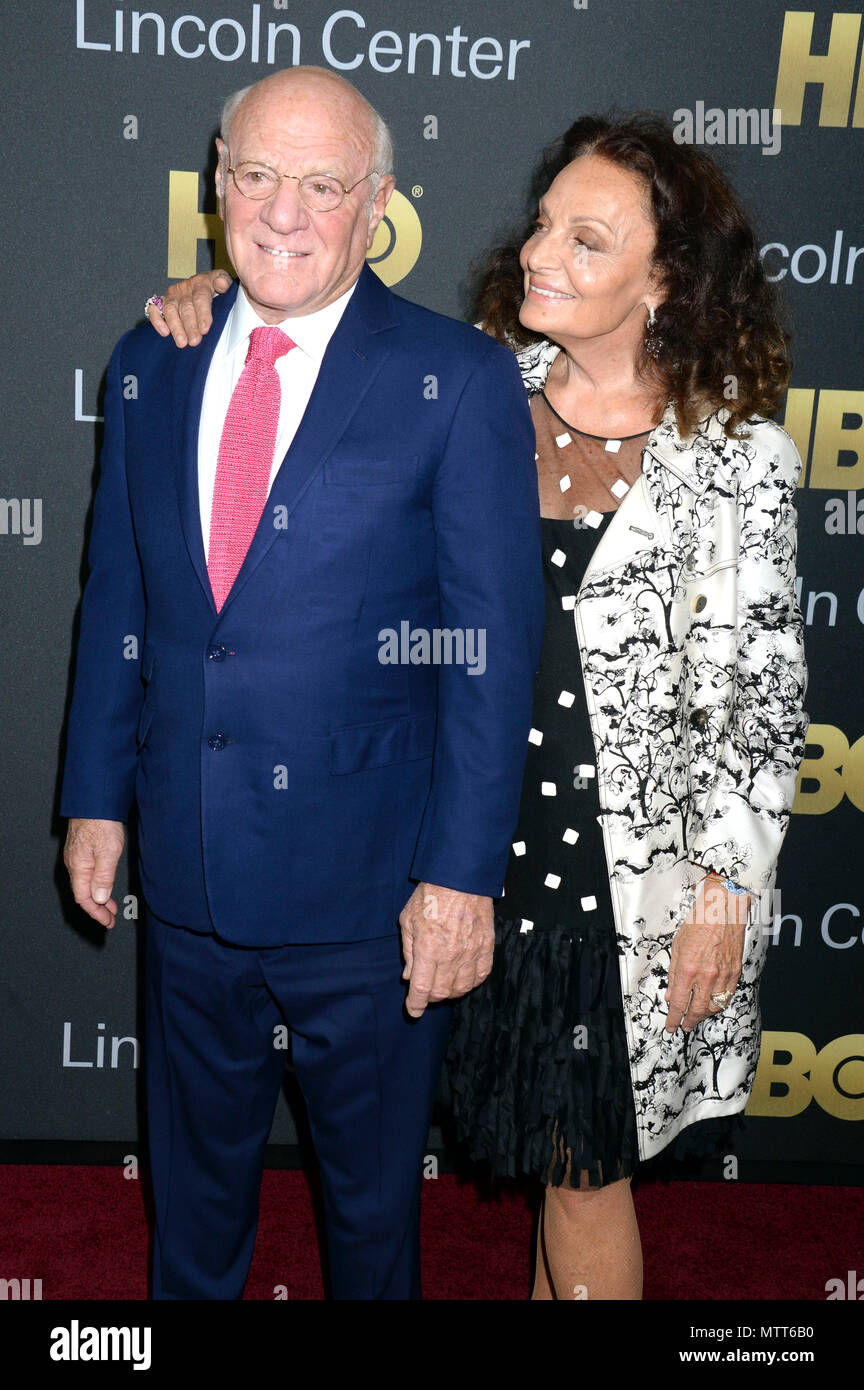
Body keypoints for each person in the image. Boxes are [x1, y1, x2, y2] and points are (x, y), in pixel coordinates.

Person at [152, 114, 809, 1301]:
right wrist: (213, 295)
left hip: (626, 878)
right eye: (544, 220)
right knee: (550, 1153)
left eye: (586, 237)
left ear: (663, 280)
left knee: (585, 1164)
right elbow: (315, 329)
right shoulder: (473, 383)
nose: (539, 251)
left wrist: (729, 886)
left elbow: (761, 702)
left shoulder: (735, 457)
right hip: (466, 857)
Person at [60, 66, 545, 1301]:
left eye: (322, 185)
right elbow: (118, 599)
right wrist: (97, 798)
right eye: (258, 176)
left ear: (375, 203)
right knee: (192, 1208)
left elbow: (489, 652)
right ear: (218, 185)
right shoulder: (152, 355)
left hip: (372, 902)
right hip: (188, 877)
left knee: (375, 1226)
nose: (283, 211)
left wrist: (459, 877)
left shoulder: (458, 381)